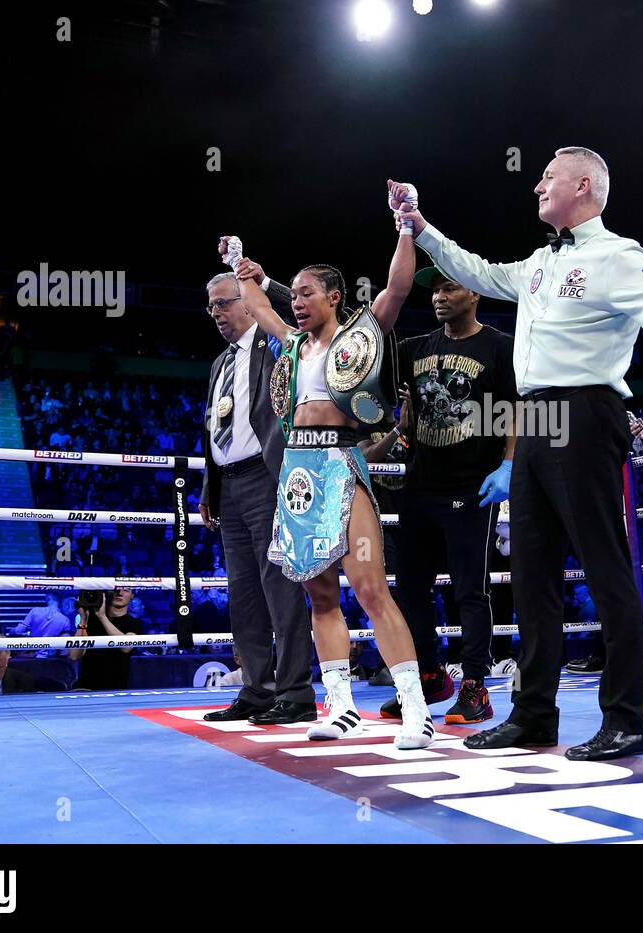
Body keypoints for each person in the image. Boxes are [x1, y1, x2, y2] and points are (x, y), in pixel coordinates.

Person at [395, 148, 643, 760]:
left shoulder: (619, 255)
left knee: (606, 566)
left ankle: (626, 718)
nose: (535, 186)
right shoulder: (536, 263)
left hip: (586, 411)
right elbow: (475, 270)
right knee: (530, 576)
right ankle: (533, 714)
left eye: (548, 178)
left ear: (583, 186)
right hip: (535, 419)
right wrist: (421, 229)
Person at [228, 182, 435, 750]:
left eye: (306, 292)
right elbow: (258, 306)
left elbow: (396, 286)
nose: (295, 301)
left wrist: (403, 222)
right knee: (319, 593)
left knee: (370, 588)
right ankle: (340, 706)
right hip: (297, 470)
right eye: (292, 293)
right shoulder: (293, 347)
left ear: (335, 296)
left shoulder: (360, 336)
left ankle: (416, 710)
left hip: (341, 462)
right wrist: (242, 268)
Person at [377, 265, 516, 727]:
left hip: (471, 484)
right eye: (435, 289)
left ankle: (476, 686)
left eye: (449, 287)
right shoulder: (415, 349)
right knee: (409, 589)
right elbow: (367, 359)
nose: (439, 296)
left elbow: (517, 411)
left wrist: (508, 464)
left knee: (469, 590)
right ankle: (432, 674)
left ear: (474, 294)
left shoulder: (499, 346)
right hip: (421, 483)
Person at [199, 255, 318, 726]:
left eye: (223, 303)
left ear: (248, 305)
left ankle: (295, 691)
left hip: (268, 480)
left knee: (280, 586)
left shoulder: (276, 346)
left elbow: (299, 320)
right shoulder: (218, 364)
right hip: (229, 486)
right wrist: (210, 488)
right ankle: (256, 688)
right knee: (243, 592)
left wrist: (258, 280)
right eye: (210, 308)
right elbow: (213, 427)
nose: (216, 314)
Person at [69, 588, 143, 691]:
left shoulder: (135, 624)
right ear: (108, 593)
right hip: (86, 686)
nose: (120, 593)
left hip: (115, 687)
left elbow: (126, 647)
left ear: (132, 596)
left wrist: (102, 617)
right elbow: (74, 655)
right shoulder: (91, 620)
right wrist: (83, 619)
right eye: (116, 590)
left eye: (125, 590)